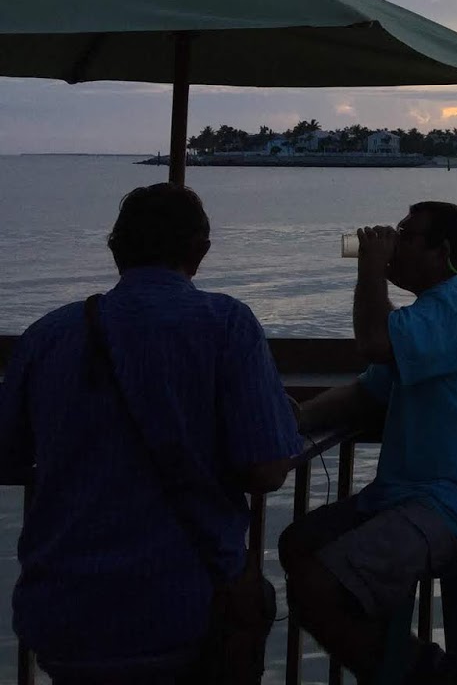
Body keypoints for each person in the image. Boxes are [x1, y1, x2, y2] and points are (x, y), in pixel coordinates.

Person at [0, 183, 301, 683]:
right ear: (200, 250)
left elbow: (7, 453)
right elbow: (266, 471)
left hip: (63, 613)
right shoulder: (225, 324)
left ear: (115, 250)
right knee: (256, 601)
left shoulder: (48, 333)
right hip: (183, 609)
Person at [280, 200, 457, 683]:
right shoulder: (434, 318)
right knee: (300, 545)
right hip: (419, 496)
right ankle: (417, 667)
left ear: (441, 252)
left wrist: (370, 270)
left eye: (406, 234)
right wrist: (297, 419)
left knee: (317, 583)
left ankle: (423, 676)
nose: (393, 241)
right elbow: (368, 390)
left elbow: (374, 340)